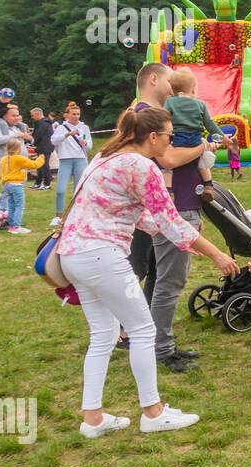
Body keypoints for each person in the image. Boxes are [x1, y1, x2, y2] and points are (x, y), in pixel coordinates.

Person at [56, 107, 238, 438]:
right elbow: (171, 220)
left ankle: (92, 418)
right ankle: (153, 412)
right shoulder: (143, 166)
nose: (171, 143)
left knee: (103, 334)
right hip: (102, 256)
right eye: (169, 137)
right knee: (142, 330)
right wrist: (216, 253)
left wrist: (183, 241)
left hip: (73, 254)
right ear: (153, 137)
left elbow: (134, 215)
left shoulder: (107, 156)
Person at [132, 62, 219, 371]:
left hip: (178, 203)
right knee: (170, 281)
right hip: (173, 208)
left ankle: (153, 342)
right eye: (170, 80)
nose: (174, 87)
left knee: (159, 279)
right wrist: (202, 146)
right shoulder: (147, 115)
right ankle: (162, 349)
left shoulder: (158, 113)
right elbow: (167, 158)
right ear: (154, 79)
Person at [164, 69, 226, 191]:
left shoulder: (169, 102)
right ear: (193, 88)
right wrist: (223, 138)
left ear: (172, 90)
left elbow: (163, 118)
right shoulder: (200, 104)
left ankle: (169, 190)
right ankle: (208, 185)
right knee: (202, 162)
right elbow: (210, 124)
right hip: (196, 139)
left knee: (166, 166)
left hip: (177, 139)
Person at [51, 102, 92, 227]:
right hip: (65, 160)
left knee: (79, 190)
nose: (76, 116)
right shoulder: (61, 127)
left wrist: (85, 143)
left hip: (80, 159)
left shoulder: (84, 127)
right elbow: (53, 140)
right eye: (73, 114)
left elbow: (90, 146)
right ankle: (58, 216)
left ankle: (77, 215)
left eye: (78, 114)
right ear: (66, 115)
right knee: (60, 190)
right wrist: (67, 134)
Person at [0, 137, 44, 234]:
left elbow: (1, 173)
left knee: (11, 205)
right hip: (16, 185)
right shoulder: (19, 158)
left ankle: (11, 225)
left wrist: (2, 183)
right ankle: (16, 226)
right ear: (18, 148)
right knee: (19, 206)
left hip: (6, 184)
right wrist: (41, 158)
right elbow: (34, 165)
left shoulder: (3, 159)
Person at [28, 107, 54, 191]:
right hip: (42, 147)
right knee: (39, 165)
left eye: (32, 115)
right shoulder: (43, 122)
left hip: (45, 147)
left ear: (37, 114)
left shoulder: (43, 123)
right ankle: (38, 183)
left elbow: (37, 136)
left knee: (44, 165)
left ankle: (47, 183)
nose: (32, 117)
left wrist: (30, 140)